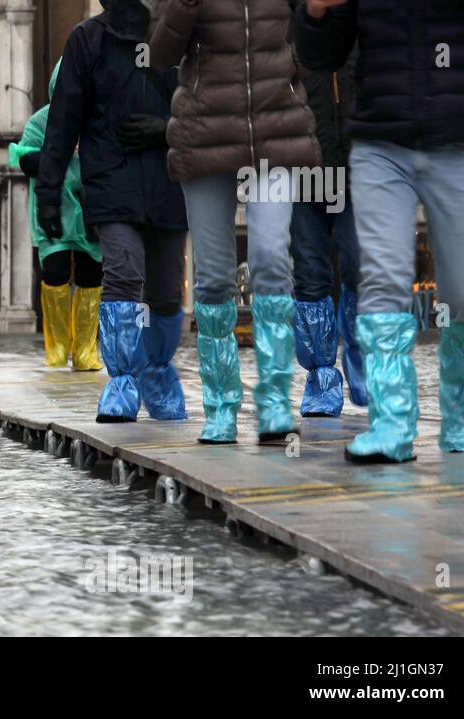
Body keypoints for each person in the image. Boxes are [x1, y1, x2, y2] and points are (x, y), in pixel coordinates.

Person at [297, 0, 464, 463]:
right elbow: (319, 55)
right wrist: (316, 14)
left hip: (458, 140)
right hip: (379, 145)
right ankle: (391, 423)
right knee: (382, 282)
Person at [150, 0, 319, 443]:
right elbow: (159, 53)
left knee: (269, 258)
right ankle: (221, 407)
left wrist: (288, 76)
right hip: (204, 137)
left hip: (277, 136)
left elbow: (314, 41)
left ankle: (275, 403)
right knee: (212, 280)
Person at [38, 1, 189, 424]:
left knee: (165, 292)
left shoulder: (179, 33)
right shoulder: (87, 40)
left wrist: (166, 128)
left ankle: (157, 375)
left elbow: (205, 102)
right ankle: (121, 384)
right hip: (111, 180)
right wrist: (49, 192)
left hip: (170, 182)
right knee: (123, 272)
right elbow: (63, 121)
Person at [289, 33, 366, 418]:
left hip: (357, 169)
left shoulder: (362, 23)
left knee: (358, 265)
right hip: (306, 171)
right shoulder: (293, 25)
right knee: (311, 274)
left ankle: (361, 360)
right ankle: (321, 380)